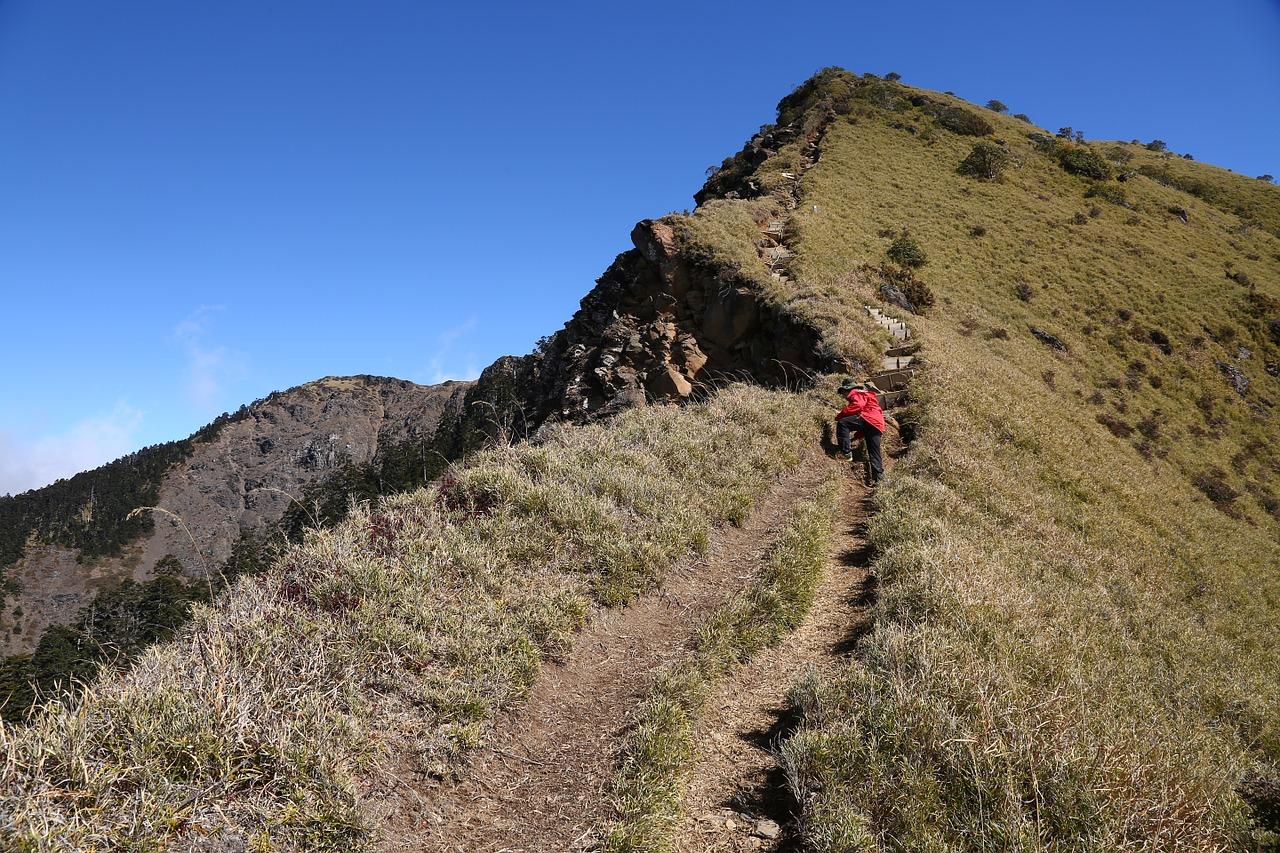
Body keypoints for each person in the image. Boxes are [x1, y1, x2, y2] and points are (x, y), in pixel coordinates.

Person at [835, 378, 886, 484]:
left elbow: (858, 405)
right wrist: (854, 438)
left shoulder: (855, 392)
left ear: (846, 390)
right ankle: (880, 480)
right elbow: (865, 427)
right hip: (877, 424)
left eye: (843, 393)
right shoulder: (866, 394)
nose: (843, 396)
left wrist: (840, 415)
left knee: (843, 423)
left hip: (869, 418)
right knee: (874, 453)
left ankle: (846, 453)